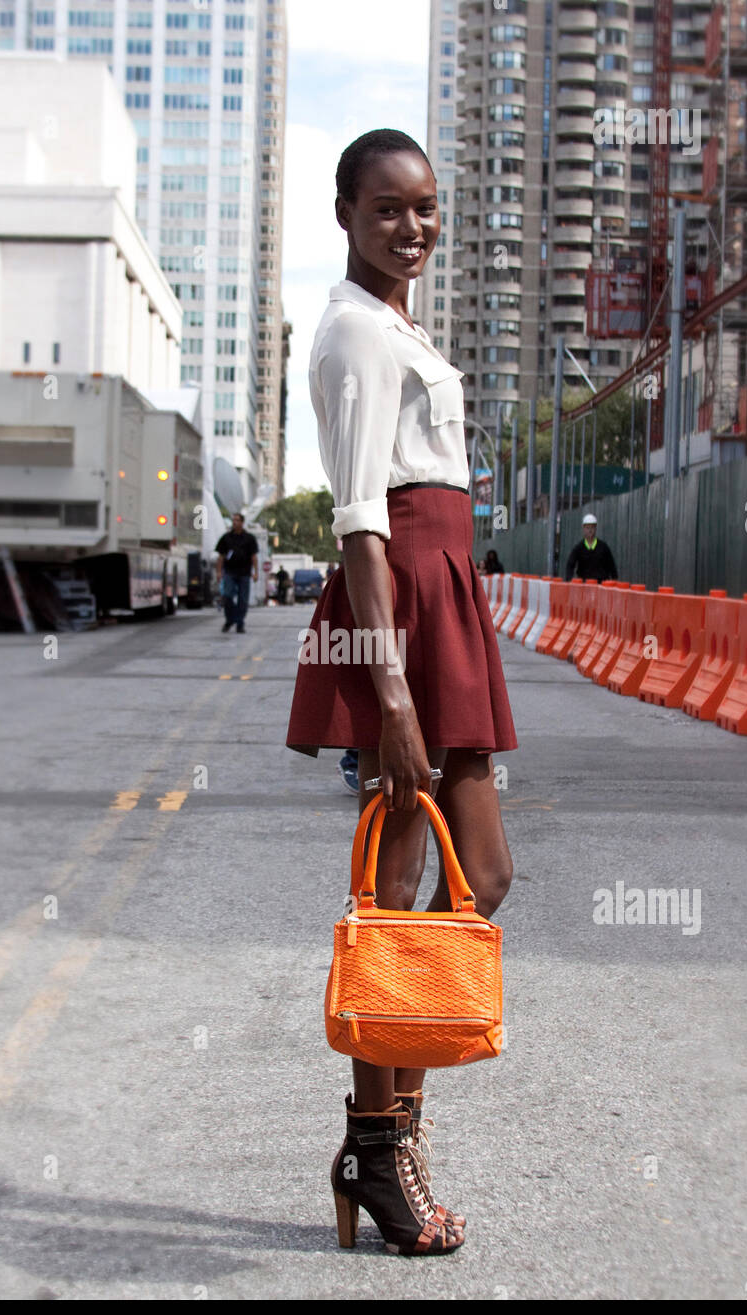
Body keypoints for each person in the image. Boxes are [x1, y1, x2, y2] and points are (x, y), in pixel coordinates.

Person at [285, 128, 518, 1257]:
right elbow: (362, 526)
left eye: (425, 208)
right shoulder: (354, 335)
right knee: (413, 892)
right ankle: (379, 1145)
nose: (412, 227)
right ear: (345, 216)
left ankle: (385, 1132)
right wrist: (393, 695)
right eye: (387, 210)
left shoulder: (394, 324)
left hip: (445, 592)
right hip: (407, 604)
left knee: (474, 878)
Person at [215, 512, 258, 633]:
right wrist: (219, 572)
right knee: (227, 595)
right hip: (230, 572)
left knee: (243, 600)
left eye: (237, 520)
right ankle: (230, 619)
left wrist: (255, 572)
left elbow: (254, 557)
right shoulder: (226, 538)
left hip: (244, 573)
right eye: (233, 520)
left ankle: (240, 623)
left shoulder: (249, 538)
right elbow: (221, 557)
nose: (235, 522)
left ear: (242, 523)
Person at [564, 513, 618, 583]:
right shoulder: (579, 548)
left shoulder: (603, 547)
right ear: (583, 529)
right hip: (584, 586)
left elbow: (611, 565)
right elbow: (570, 564)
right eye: (587, 528)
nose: (590, 530)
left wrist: (614, 580)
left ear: (596, 528)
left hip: (601, 585)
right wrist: (569, 579)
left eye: (592, 527)